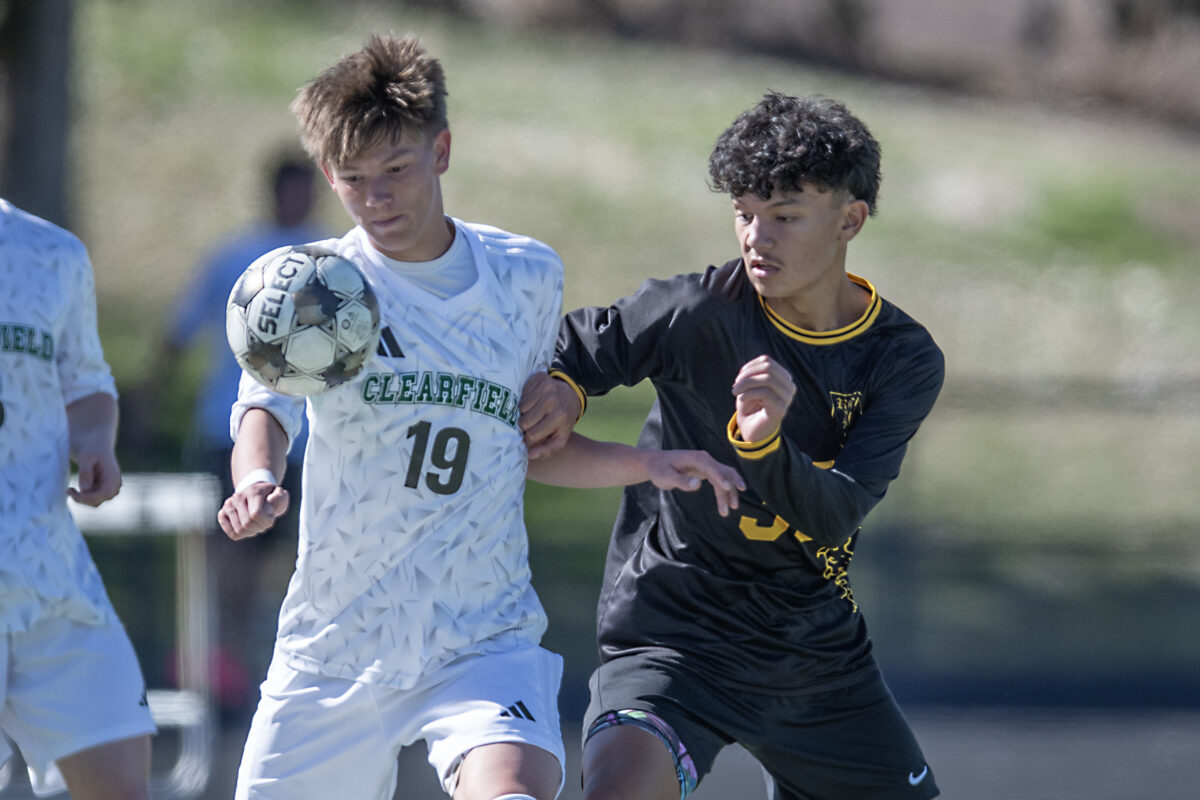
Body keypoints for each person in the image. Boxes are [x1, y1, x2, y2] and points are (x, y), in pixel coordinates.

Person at [214, 34, 738, 800]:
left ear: (442, 151)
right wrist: (257, 476)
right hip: (335, 647)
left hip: (478, 637)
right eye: (355, 180)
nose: (378, 197)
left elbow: (527, 444)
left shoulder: (526, 275)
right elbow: (264, 407)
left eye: (396, 169)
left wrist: (648, 463)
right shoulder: (314, 288)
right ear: (329, 176)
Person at [520, 93, 946, 799]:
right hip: (672, 639)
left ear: (850, 220)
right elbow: (576, 348)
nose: (756, 237)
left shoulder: (899, 358)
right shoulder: (697, 312)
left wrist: (763, 446)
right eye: (744, 214)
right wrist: (564, 388)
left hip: (815, 661)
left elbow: (836, 512)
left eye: (784, 216)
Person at [137, 150, 324, 715]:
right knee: (232, 554)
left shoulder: (332, 260)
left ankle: (282, 668)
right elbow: (181, 329)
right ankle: (224, 672)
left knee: (300, 559)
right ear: (271, 193)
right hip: (231, 429)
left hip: (313, 439)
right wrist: (148, 399)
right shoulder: (235, 259)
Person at [0, 198, 156, 799]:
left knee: (122, 784)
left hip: (53, 577)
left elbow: (87, 381)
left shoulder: (53, 251)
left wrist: (95, 444)